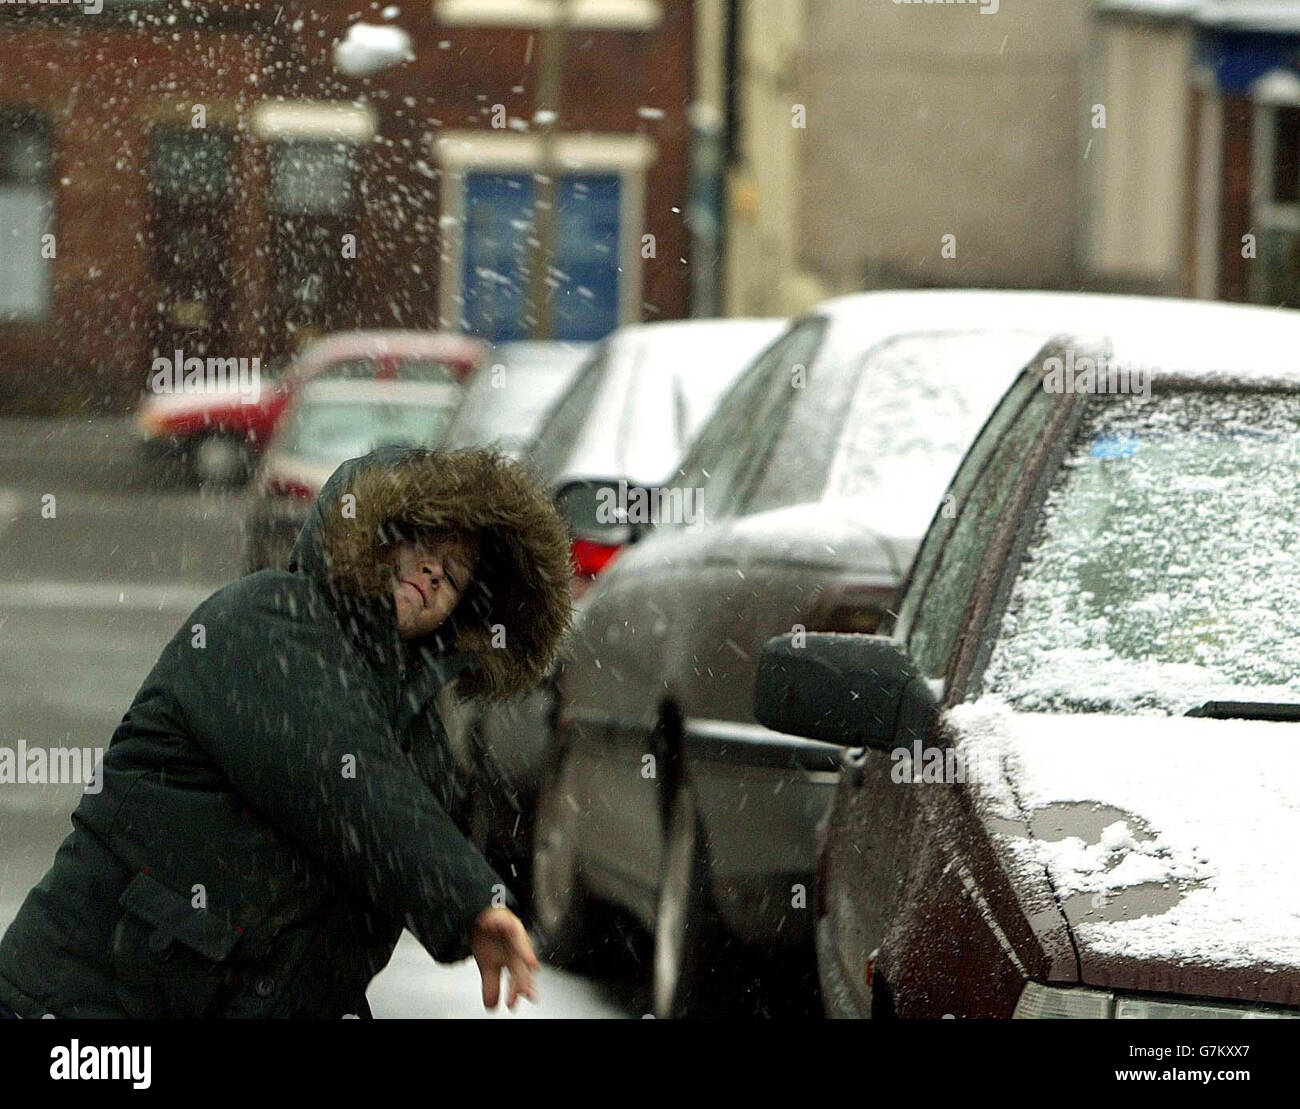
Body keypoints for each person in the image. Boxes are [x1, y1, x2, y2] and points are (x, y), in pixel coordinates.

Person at [0, 445, 573, 1018]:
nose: (432, 573)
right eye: (424, 544)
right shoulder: (266, 619)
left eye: (453, 575)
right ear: (374, 529)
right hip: (77, 1000)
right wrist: (469, 902)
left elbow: (341, 939)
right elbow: (351, 784)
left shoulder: (415, 731)